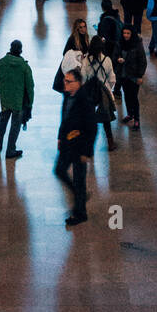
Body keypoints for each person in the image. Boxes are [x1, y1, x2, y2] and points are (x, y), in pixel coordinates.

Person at [54, 68, 97, 226]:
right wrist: (60, 137)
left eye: (68, 81)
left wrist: (87, 152)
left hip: (79, 148)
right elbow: (64, 118)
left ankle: (80, 213)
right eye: (64, 80)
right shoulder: (67, 96)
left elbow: (92, 128)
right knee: (59, 170)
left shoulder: (85, 101)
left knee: (79, 180)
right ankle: (80, 195)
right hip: (67, 143)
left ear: (78, 83)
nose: (64, 83)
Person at [0, 39, 35, 160]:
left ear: (10, 48)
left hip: (5, 99)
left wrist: (1, 89)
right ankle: (10, 150)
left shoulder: (1, 63)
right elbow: (30, 87)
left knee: (2, 121)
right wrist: (29, 104)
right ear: (20, 50)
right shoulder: (24, 67)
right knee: (15, 126)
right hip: (18, 102)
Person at [82, 35, 119, 152]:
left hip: (90, 92)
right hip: (103, 92)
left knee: (89, 119)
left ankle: (88, 145)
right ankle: (110, 142)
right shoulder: (107, 60)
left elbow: (83, 77)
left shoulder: (86, 61)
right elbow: (112, 78)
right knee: (106, 118)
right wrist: (108, 88)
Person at [116, 24, 147, 129]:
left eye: (128, 33)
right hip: (123, 75)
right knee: (126, 95)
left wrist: (140, 76)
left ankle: (137, 119)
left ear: (132, 34)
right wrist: (118, 58)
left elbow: (142, 61)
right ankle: (130, 114)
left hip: (134, 76)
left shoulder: (137, 44)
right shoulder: (120, 43)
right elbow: (115, 55)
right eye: (124, 33)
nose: (126, 35)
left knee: (134, 97)